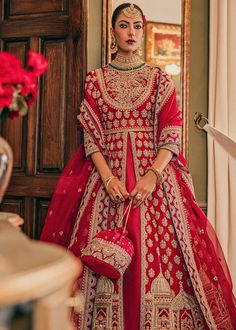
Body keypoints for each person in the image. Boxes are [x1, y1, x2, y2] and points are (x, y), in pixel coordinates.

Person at [40, 3, 236, 329]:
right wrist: (108, 179)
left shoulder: (159, 80)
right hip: (108, 186)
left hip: (156, 188)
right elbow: (92, 139)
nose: (132, 32)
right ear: (113, 31)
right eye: (124, 26)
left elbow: (171, 134)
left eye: (137, 26)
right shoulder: (96, 81)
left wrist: (152, 175)